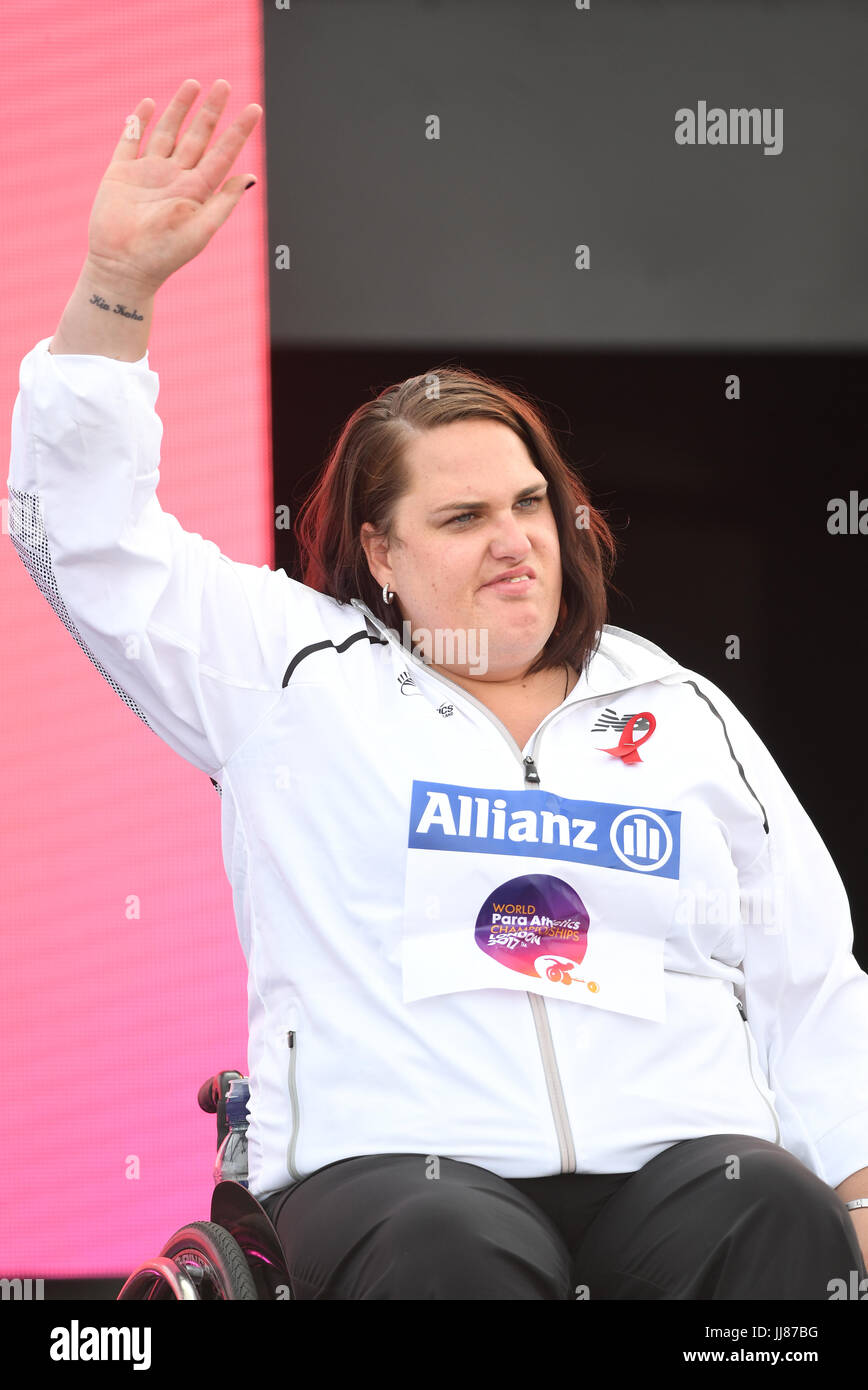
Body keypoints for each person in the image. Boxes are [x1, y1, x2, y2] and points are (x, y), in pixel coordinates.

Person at [8, 78, 868, 1302]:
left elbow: (807, 971)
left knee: (773, 1207)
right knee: (449, 1242)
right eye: (461, 516)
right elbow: (78, 535)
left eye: (528, 503)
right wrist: (117, 289)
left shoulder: (681, 708)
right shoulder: (288, 674)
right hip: (402, 1176)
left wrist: (857, 1191)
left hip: (672, 1170)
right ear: (378, 552)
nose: (514, 538)